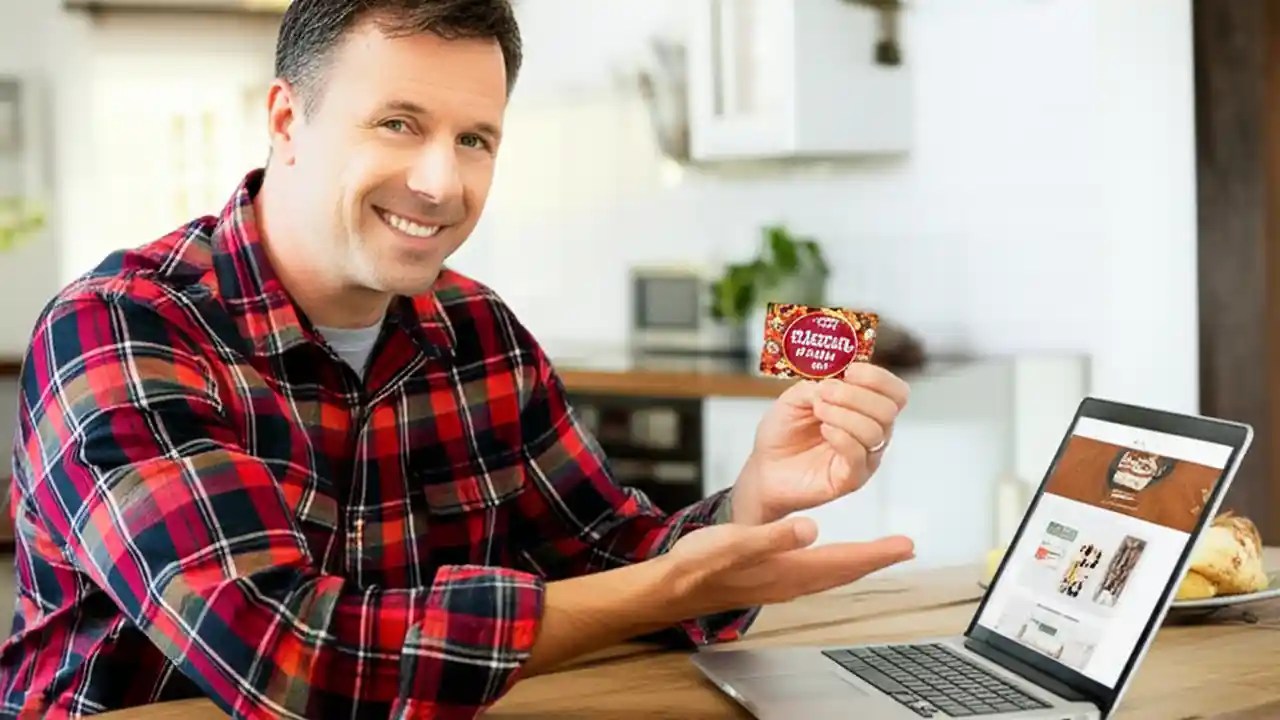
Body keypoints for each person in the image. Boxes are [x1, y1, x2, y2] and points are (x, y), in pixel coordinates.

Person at [0, 0, 914, 717]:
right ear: (286, 119)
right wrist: (661, 586)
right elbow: (283, 653)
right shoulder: (119, 330)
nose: (443, 183)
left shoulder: (479, 331)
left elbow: (613, 561)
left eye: (475, 138)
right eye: (398, 123)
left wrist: (755, 496)